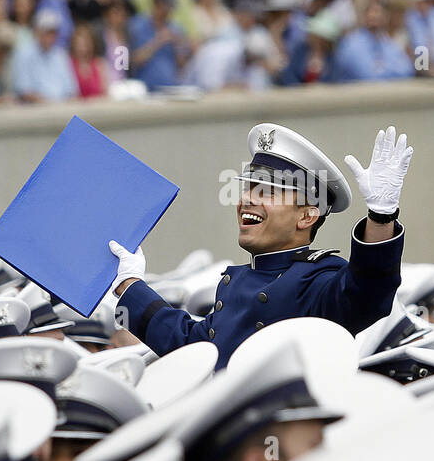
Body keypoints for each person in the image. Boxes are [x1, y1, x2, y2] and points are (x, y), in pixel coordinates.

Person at [110, 124, 413, 369]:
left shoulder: (318, 280)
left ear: (308, 215)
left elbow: (368, 293)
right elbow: (192, 346)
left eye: (268, 191)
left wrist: (381, 217)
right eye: (247, 187)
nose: (247, 200)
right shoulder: (236, 282)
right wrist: (130, 284)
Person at [10, 9, 77, 102]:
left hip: (62, 109)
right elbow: (24, 92)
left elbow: (71, 90)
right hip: (36, 110)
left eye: (53, 32)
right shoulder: (23, 53)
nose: (49, 37)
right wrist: (49, 104)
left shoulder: (61, 54)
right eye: (46, 32)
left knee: (84, 115)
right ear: (37, 31)